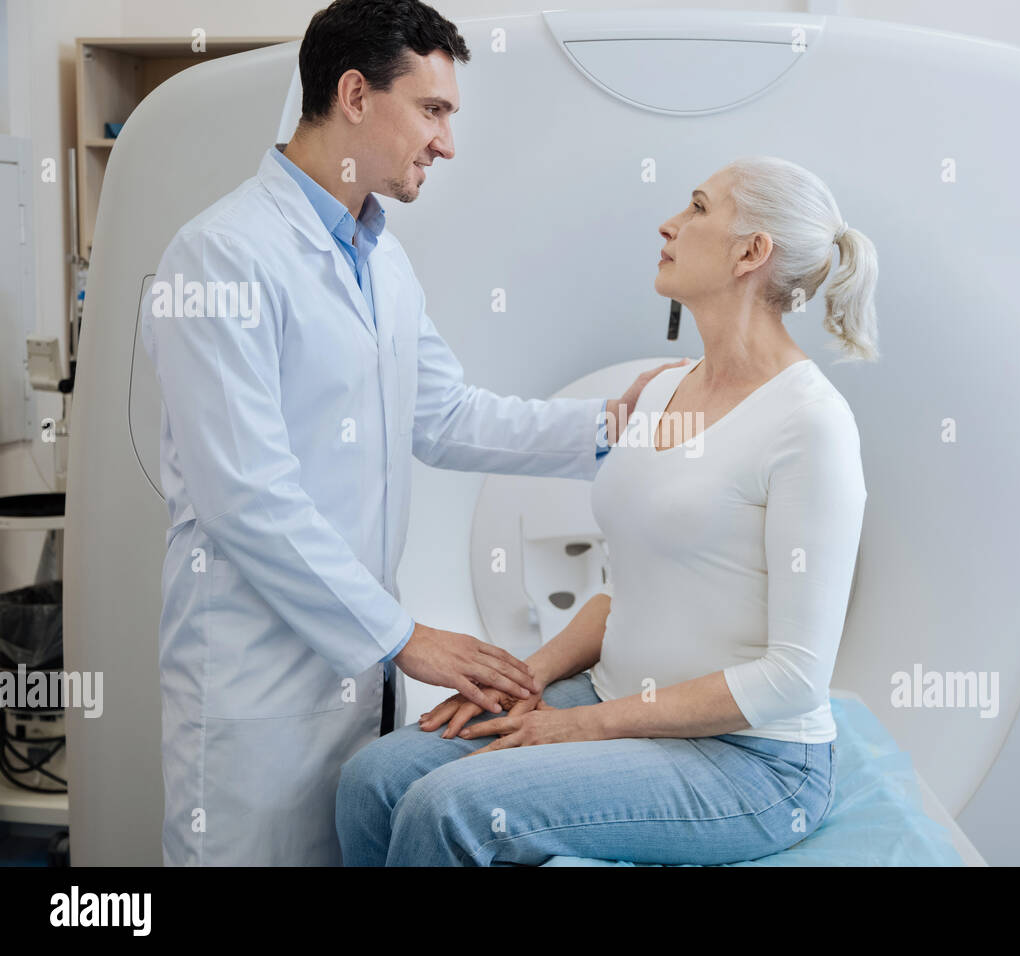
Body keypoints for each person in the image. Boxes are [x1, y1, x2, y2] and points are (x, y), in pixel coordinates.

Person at [140, 0, 677, 866]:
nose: (447, 142)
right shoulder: (222, 257)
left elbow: (446, 414)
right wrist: (403, 636)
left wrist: (611, 427)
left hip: (355, 671)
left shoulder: (379, 255)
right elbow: (244, 494)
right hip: (256, 672)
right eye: (433, 110)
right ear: (354, 94)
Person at [336, 154, 880, 866]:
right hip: (615, 692)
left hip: (752, 763)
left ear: (752, 252)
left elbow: (794, 679)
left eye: (697, 208)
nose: (670, 223)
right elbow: (624, 592)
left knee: (451, 810)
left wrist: (587, 726)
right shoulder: (660, 392)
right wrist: (526, 680)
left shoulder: (810, 424)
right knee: (372, 780)